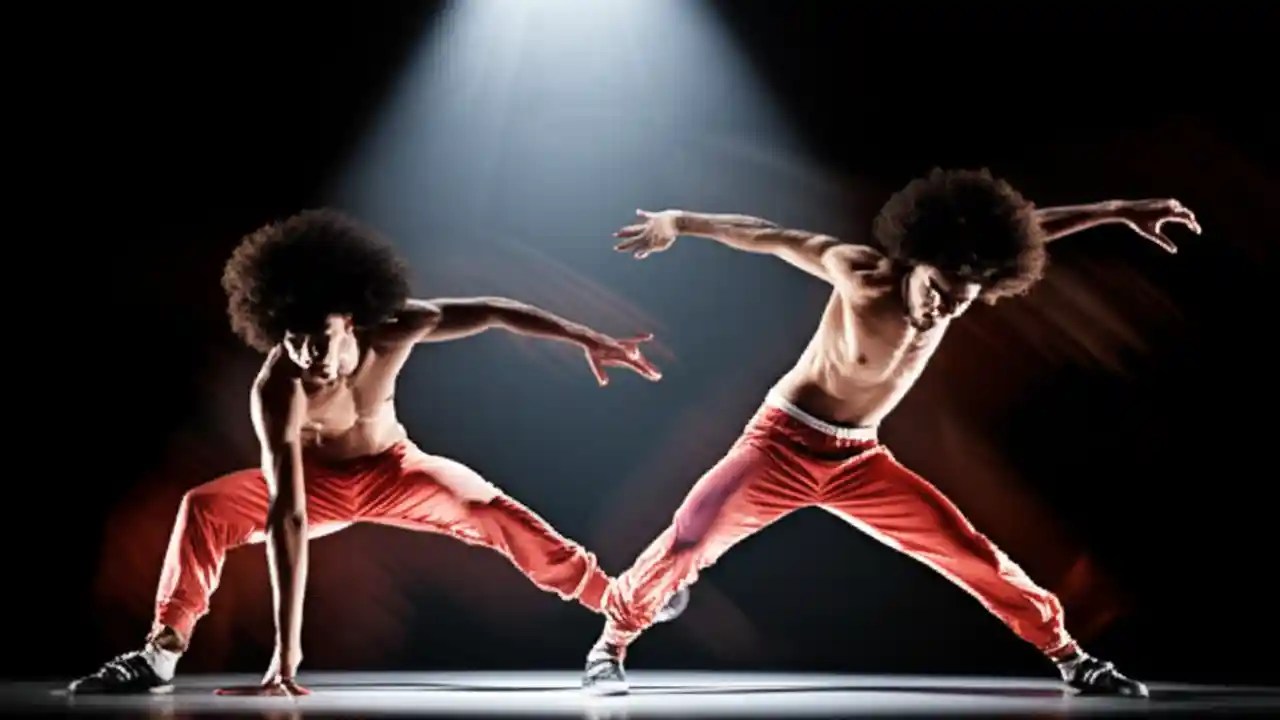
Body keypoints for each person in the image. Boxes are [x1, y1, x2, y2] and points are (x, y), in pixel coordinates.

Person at [583, 168, 1201, 697]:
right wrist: (679, 221)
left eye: (959, 302)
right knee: (690, 536)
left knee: (970, 552)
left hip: (859, 460)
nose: (940, 309)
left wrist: (1117, 211)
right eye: (936, 291)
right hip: (781, 445)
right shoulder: (862, 273)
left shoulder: (966, 276)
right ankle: (611, 644)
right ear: (915, 260)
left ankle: (1071, 659)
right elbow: (769, 236)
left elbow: (1030, 229)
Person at [69, 208, 685, 696]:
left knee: (490, 510)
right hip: (315, 485)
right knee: (203, 507)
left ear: (350, 318)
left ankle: (619, 599)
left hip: (397, 469)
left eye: (319, 338)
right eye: (291, 339)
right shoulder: (278, 387)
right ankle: (160, 654)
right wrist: (287, 652)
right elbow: (288, 516)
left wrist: (586, 338)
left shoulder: (396, 327)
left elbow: (495, 311)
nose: (307, 354)